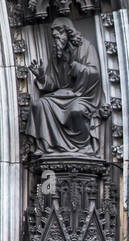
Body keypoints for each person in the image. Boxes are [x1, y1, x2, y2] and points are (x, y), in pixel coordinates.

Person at [24, 17, 102, 155]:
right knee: (39, 104)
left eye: (58, 35)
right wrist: (41, 76)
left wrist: (74, 65)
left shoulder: (85, 47)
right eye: (54, 37)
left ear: (67, 32)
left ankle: (84, 147)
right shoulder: (57, 54)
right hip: (63, 95)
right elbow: (54, 83)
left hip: (82, 95)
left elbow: (94, 73)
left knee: (75, 110)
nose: (56, 40)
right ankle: (46, 147)